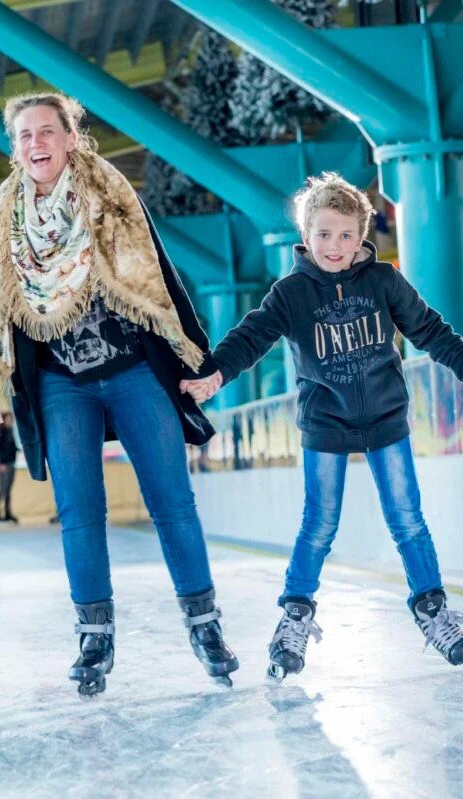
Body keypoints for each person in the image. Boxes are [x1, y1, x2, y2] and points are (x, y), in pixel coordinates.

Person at [0, 93, 237, 697]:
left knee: (173, 501)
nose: (36, 144)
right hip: (61, 386)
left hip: (136, 370)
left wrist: (201, 359)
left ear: (69, 137)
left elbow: (158, 273)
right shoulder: (5, 211)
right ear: (16, 148)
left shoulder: (109, 190)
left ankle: (204, 623)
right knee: (81, 514)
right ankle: (94, 634)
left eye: (47, 132)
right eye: (25, 135)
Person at [183, 172, 463, 679]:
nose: (335, 246)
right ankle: (295, 614)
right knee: (320, 524)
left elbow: (430, 331)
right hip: (325, 422)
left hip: (385, 419)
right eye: (324, 234)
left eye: (347, 235)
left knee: (407, 519)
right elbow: (251, 337)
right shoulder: (291, 293)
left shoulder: (384, 282)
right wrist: (213, 376)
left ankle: (432, 610)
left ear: (362, 238)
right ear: (306, 235)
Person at [0, 411, 19, 523]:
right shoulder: (1, 432)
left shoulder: (10, 432)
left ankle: (8, 513)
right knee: (3, 489)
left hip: (11, 463)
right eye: (8, 419)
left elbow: (11, 448)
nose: (10, 421)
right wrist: (1, 462)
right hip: (4, 465)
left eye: (11, 419)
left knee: (8, 490)